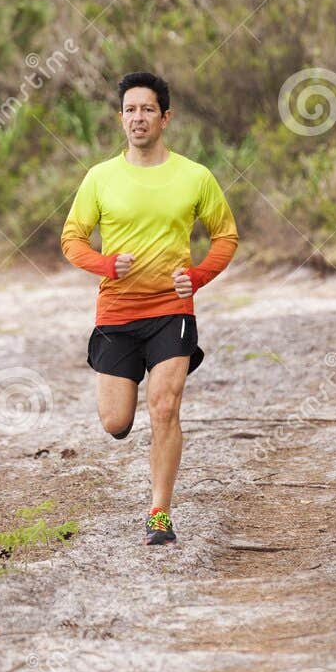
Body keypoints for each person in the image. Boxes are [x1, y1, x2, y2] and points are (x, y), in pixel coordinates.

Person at [59, 72, 239, 546]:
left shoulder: (195, 176)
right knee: (116, 422)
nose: (138, 118)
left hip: (172, 310)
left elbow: (225, 237)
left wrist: (197, 276)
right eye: (130, 110)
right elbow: (71, 240)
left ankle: (159, 511)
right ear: (121, 118)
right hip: (117, 313)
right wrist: (105, 265)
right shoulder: (100, 178)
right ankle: (121, 398)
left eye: (147, 110)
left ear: (165, 117)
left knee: (164, 406)